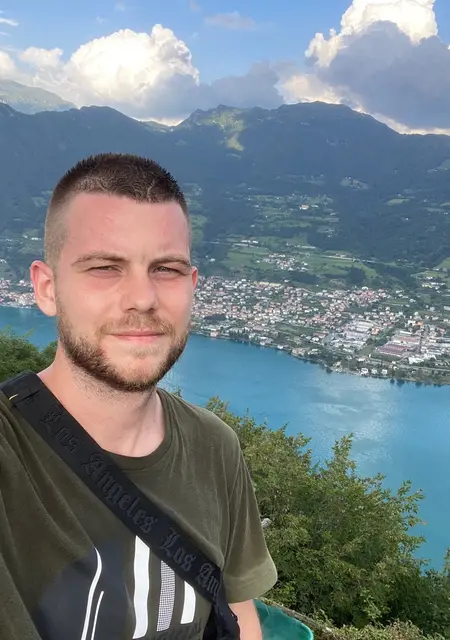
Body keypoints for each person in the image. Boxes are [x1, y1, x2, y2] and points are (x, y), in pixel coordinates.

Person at [0, 153, 277, 640]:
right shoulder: (11, 454)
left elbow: (238, 614)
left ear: (192, 287)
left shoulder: (214, 447)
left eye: (166, 269)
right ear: (47, 288)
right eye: (105, 267)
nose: (143, 298)